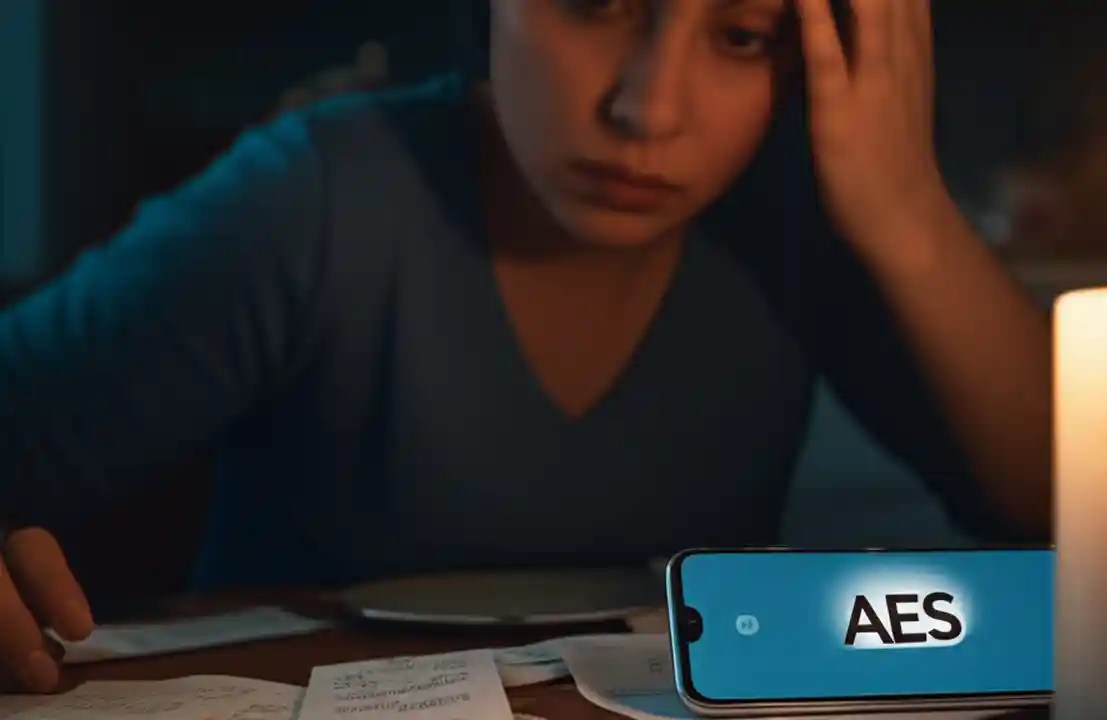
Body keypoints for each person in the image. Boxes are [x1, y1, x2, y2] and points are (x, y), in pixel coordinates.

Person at [0, 0, 1050, 693]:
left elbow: (1071, 512)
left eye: (740, 36)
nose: (647, 107)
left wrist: (907, 207)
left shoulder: (796, 225)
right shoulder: (319, 195)